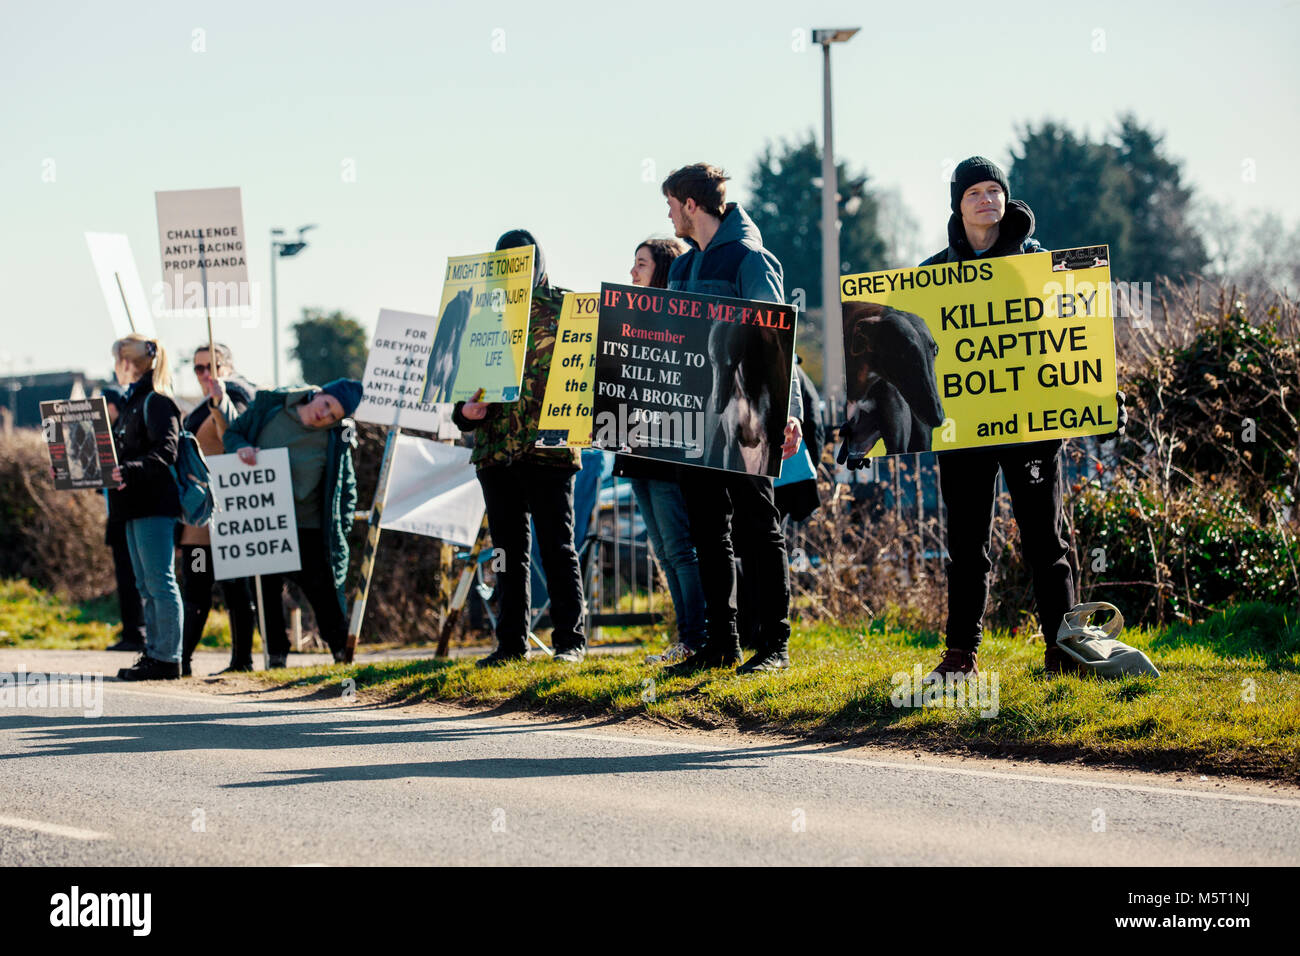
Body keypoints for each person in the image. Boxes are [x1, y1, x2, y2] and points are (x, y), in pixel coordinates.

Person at [910, 156, 1125, 682]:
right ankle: (960, 654)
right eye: (974, 193)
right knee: (965, 544)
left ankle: (1064, 649)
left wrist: (1102, 397)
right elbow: (911, 356)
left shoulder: (1043, 265)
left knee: (1045, 542)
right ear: (958, 206)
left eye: (994, 190)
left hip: (1032, 426)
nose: (987, 199)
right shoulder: (931, 277)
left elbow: (1075, 340)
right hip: (964, 431)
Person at [659, 163, 802, 673]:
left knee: (759, 526)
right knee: (706, 532)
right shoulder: (678, 270)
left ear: (691, 205)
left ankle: (775, 648)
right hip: (693, 422)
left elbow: (776, 337)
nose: (669, 215)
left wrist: (788, 413)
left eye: (672, 205)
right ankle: (722, 646)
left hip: (746, 418)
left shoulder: (749, 258)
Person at [452, 229, 588, 667]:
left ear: (538, 262)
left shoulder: (569, 309)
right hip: (495, 452)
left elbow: (590, 379)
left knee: (557, 547)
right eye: (508, 262)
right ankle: (511, 645)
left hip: (550, 451)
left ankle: (571, 642)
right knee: (507, 553)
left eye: (525, 261)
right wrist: (464, 413)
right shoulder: (479, 315)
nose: (519, 270)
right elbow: (460, 393)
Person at [222, 378, 361, 667]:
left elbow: (347, 488)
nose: (324, 415)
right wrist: (242, 448)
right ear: (318, 394)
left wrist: (341, 526)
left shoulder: (336, 438)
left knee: (322, 590)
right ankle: (275, 656)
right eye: (325, 406)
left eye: (333, 415)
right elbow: (233, 433)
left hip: (308, 525)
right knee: (265, 590)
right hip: (266, 520)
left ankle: (341, 653)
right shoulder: (270, 407)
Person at [616, 238, 708, 665]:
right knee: (663, 550)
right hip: (633, 447)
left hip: (668, 446)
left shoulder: (674, 321)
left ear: (663, 269)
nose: (632, 273)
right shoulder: (629, 320)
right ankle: (685, 637)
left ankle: (698, 637)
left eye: (641, 264)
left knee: (680, 546)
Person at [109, 334, 185, 680]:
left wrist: (128, 469)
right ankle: (155, 653)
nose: (113, 367)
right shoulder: (132, 402)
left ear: (127, 363)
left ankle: (167, 657)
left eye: (116, 360)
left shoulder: (156, 401)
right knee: (146, 583)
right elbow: (118, 457)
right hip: (132, 506)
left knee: (159, 581)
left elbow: (167, 451)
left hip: (154, 503)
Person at [179, 344, 258, 676]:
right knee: (196, 588)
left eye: (210, 366)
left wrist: (219, 400)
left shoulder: (235, 397)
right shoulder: (198, 407)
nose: (204, 374)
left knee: (235, 590)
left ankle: (242, 660)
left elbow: (234, 433)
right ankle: (181, 660)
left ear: (228, 365)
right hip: (197, 527)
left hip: (229, 518)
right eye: (197, 368)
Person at [101, 380, 148, 653]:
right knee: (126, 577)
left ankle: (140, 633)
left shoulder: (127, 435)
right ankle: (133, 632)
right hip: (116, 516)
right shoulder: (106, 438)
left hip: (134, 513)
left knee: (139, 577)